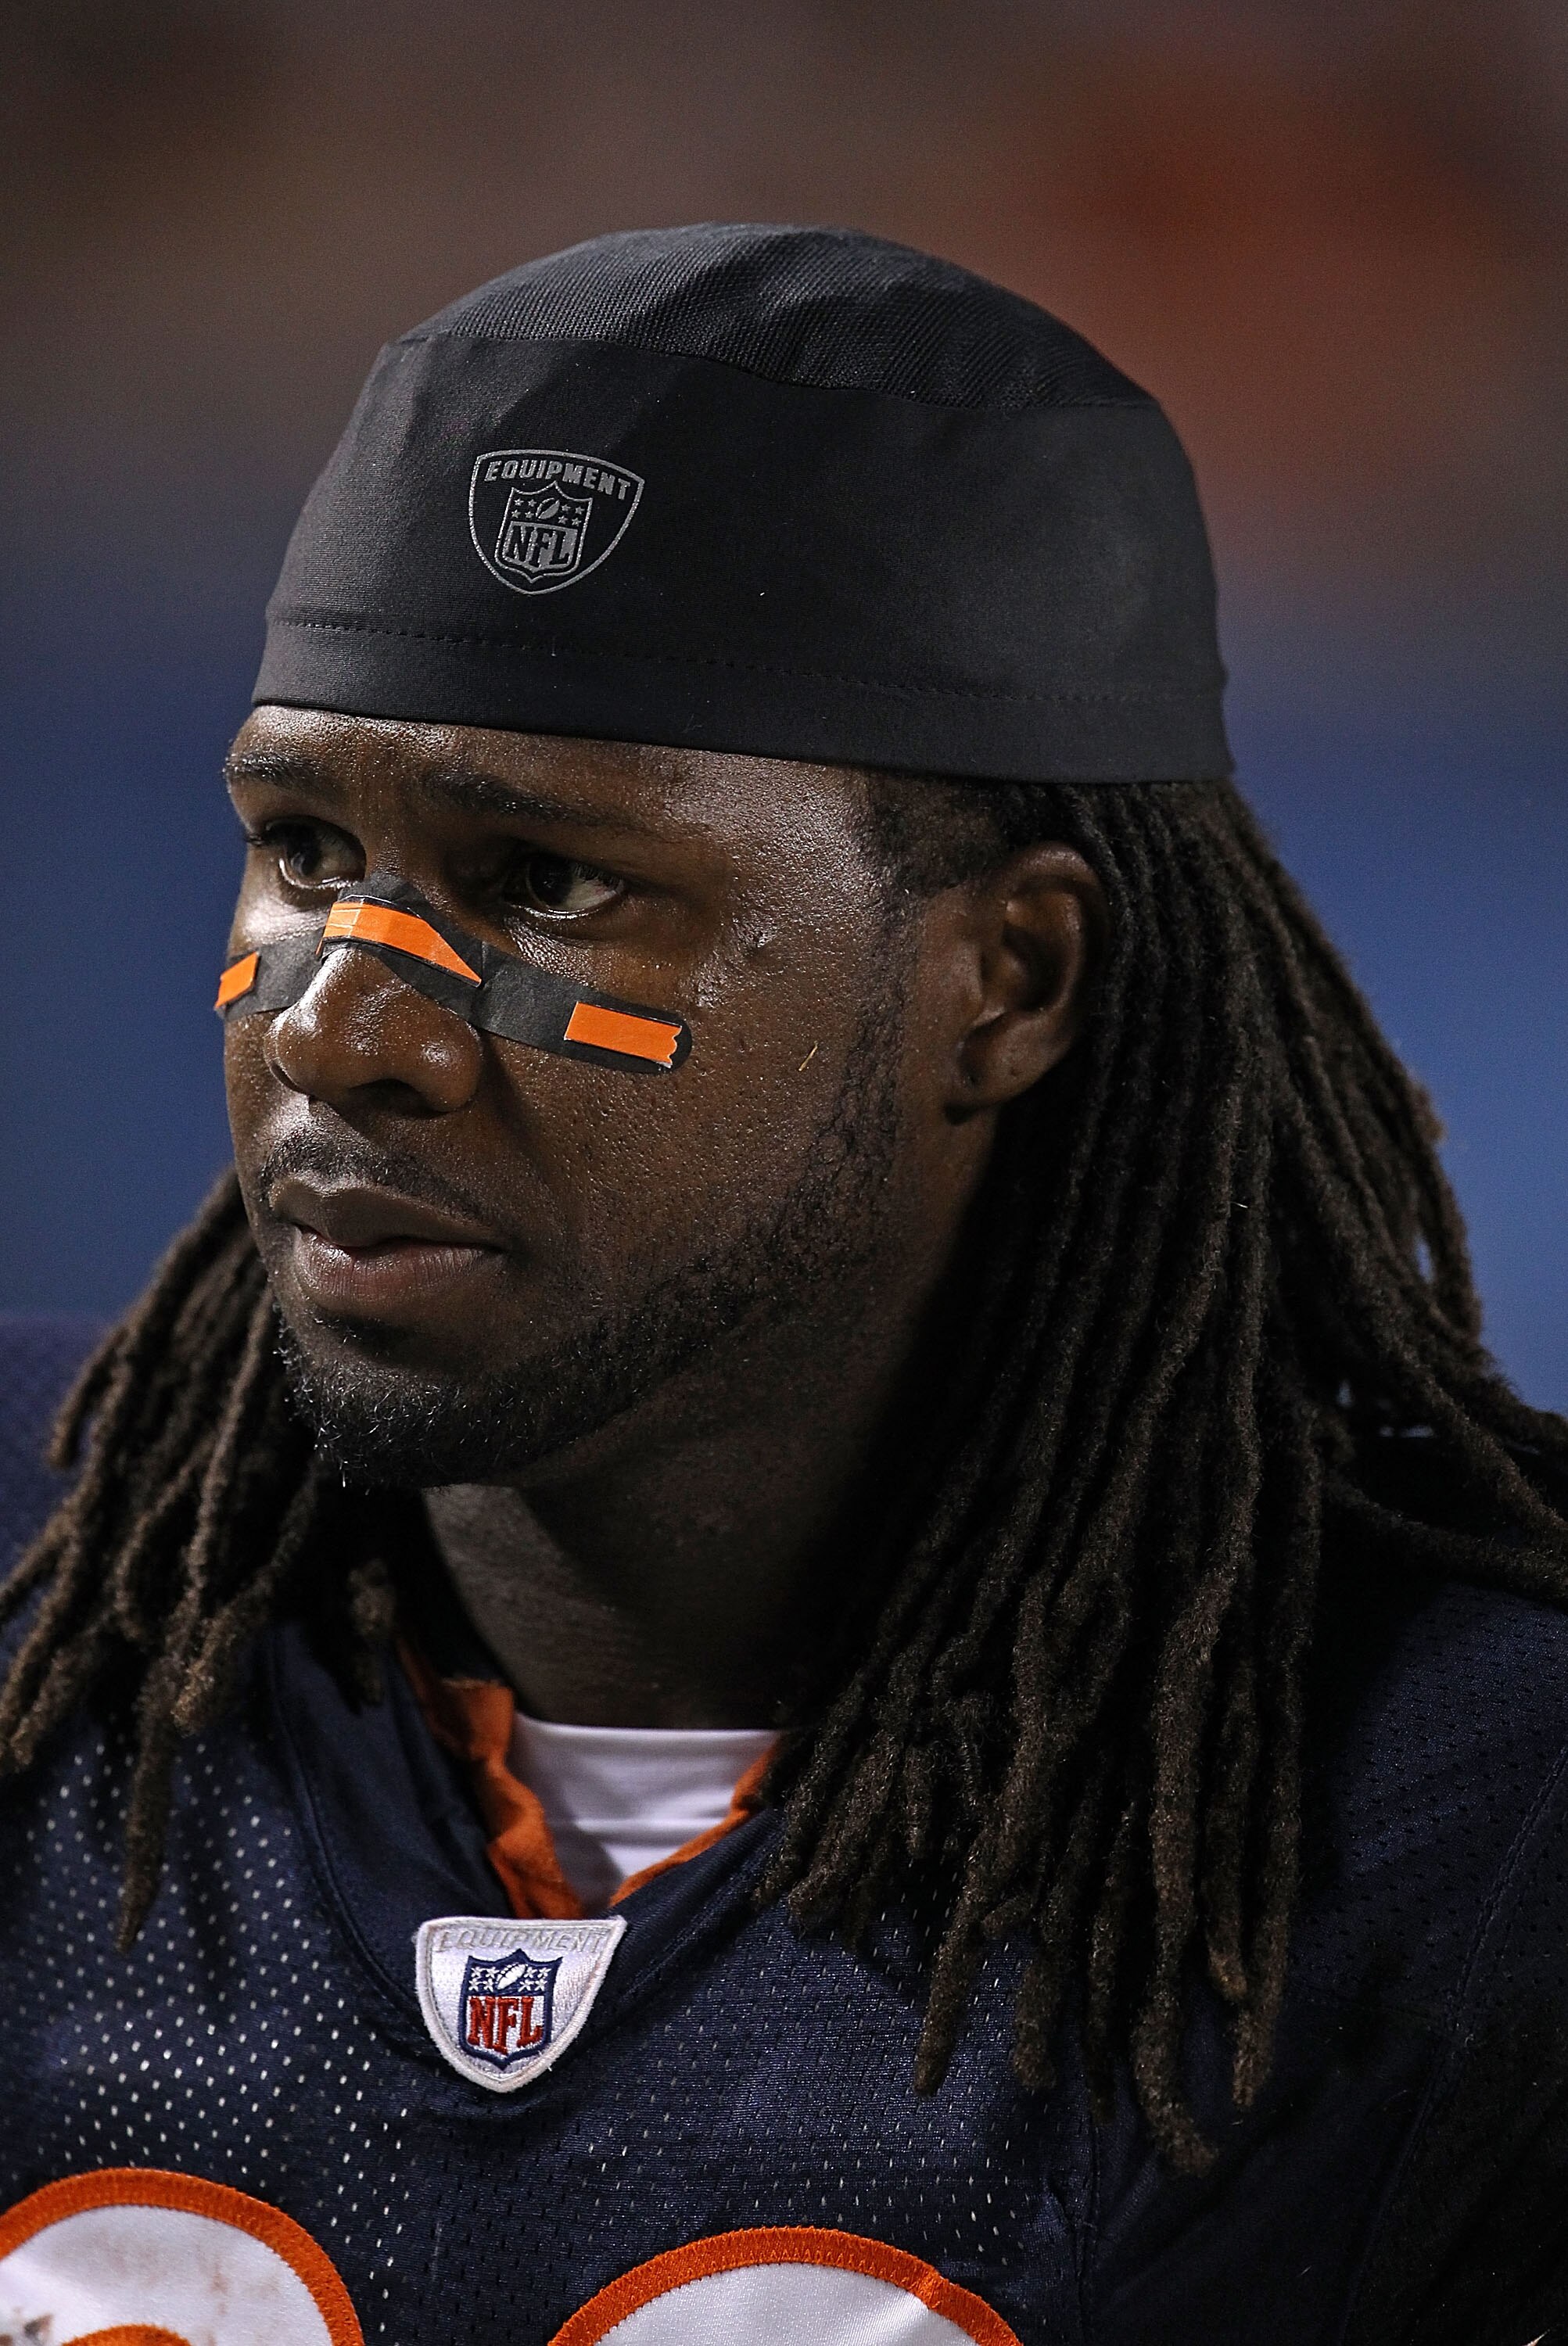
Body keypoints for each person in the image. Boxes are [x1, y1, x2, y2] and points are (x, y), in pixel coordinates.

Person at [1, 224, 1565, 2346]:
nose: (343, 1027)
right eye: (304, 850)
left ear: (1004, 979)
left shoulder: (1473, 1830)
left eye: (548, 882)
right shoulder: (44, 1593)